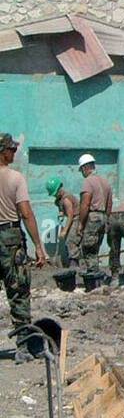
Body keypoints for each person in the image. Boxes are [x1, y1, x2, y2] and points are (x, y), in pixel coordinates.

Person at [0, 133, 49, 352]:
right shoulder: (15, 178)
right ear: (3, 152)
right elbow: (27, 214)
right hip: (10, 238)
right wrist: (39, 246)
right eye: (12, 149)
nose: (14, 153)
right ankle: (22, 347)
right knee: (18, 291)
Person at [74, 153, 112, 273]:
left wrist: (80, 224)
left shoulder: (88, 182)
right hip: (103, 217)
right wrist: (106, 219)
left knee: (88, 248)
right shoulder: (105, 182)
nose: (82, 173)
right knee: (96, 248)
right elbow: (109, 204)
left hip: (93, 217)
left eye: (81, 170)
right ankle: (95, 274)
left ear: (85, 168)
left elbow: (85, 204)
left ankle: (93, 276)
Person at [47, 177, 78, 266]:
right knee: (68, 241)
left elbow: (70, 215)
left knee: (70, 241)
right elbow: (63, 210)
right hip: (72, 219)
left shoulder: (66, 199)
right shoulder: (59, 200)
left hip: (76, 219)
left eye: (55, 193)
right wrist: (61, 212)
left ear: (60, 189)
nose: (54, 195)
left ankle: (74, 265)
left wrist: (64, 230)